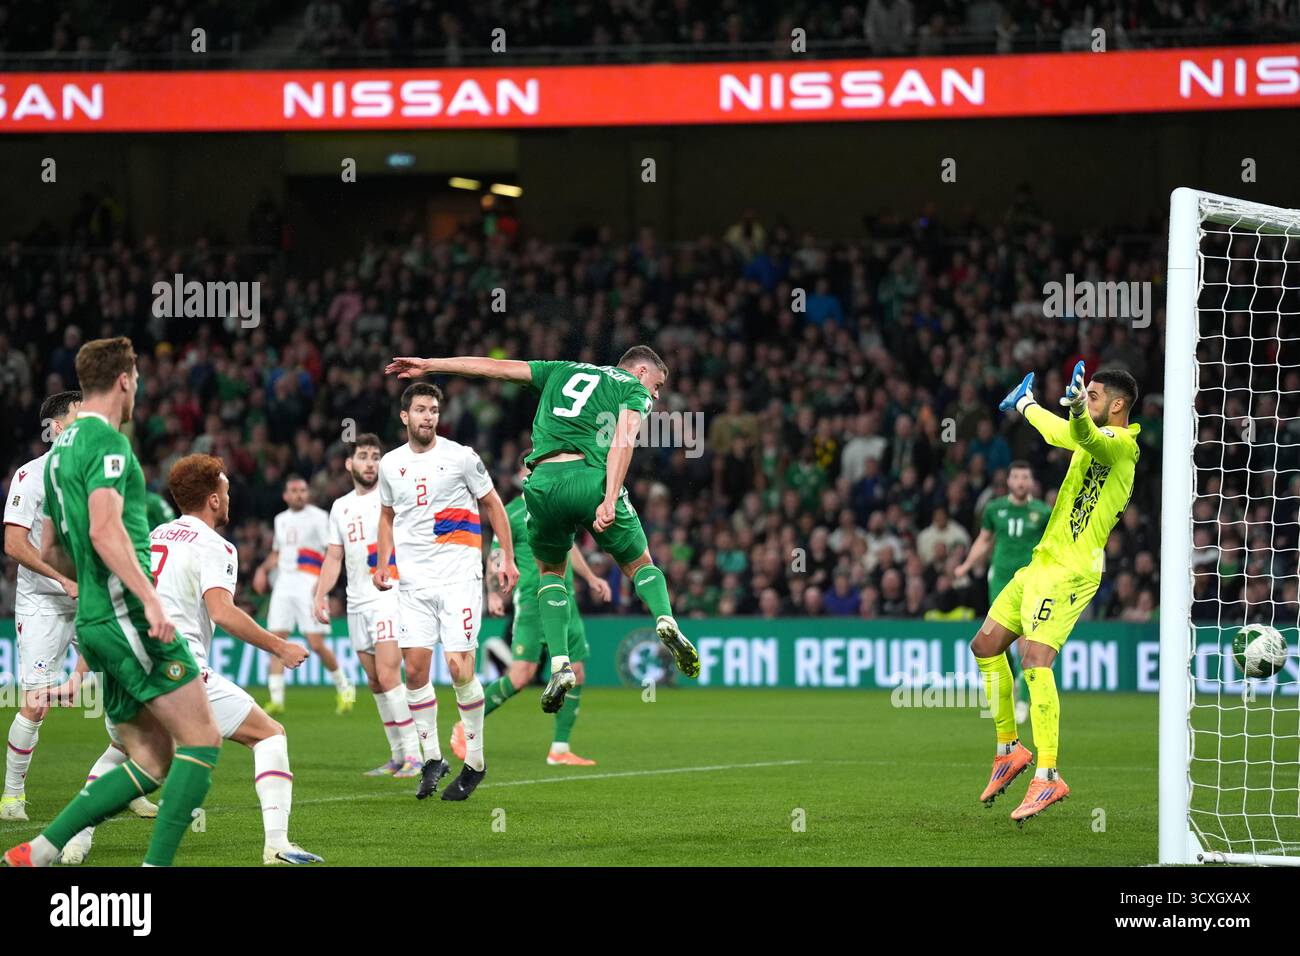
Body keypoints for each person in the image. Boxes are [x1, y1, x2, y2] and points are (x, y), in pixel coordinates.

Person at [385, 346, 700, 718]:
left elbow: (494, 368)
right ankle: (665, 619)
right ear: (641, 370)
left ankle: (559, 664)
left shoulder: (560, 370)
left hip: (542, 484)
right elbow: (623, 440)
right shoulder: (631, 389)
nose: (657, 394)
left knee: (551, 572)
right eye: (657, 384)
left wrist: (431, 364)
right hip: (589, 478)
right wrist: (610, 497)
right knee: (640, 563)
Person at [4, 337, 220, 868]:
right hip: (126, 615)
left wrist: (94, 595)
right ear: (124, 380)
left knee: (149, 756)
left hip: (96, 619)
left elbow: (53, 546)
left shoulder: (54, 465)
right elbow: (103, 530)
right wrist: (148, 599)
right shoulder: (109, 444)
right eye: (139, 377)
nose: (139, 386)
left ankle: (42, 849)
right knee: (202, 738)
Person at [64, 454, 321, 865]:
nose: (229, 499)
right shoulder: (216, 545)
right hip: (179, 670)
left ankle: (74, 839)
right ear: (214, 500)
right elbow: (222, 611)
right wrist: (280, 646)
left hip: (130, 665)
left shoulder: (153, 534)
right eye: (227, 492)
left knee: (124, 748)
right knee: (269, 734)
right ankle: (277, 844)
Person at [971, 362, 1140, 824]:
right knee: (985, 646)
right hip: (1042, 562)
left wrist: (1078, 414)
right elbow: (1059, 433)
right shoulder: (1091, 434)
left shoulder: (1122, 446)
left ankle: (1047, 775)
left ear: (1118, 405)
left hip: (1070, 571)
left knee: (1034, 661)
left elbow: (1085, 436)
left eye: (1093, 395)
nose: (1086, 399)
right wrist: (1026, 403)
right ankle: (1009, 748)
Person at [2, 390, 157, 830]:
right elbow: (14, 544)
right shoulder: (30, 476)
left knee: (128, 691)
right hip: (44, 602)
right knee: (35, 703)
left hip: (91, 599)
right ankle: (12, 794)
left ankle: (125, 788)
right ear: (55, 427)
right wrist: (63, 580)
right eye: (78, 416)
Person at [374, 383, 517, 802]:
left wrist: (505, 557)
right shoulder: (390, 465)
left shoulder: (461, 457)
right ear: (405, 416)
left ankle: (475, 762)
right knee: (415, 671)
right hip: (413, 583)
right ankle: (433, 759)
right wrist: (384, 562)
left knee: (458, 668)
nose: (428, 417)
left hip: (458, 576)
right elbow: (385, 516)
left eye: (433, 410)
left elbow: (493, 504)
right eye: (420, 410)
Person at [452, 455, 612, 767]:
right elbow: (496, 553)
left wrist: (590, 578)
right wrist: (493, 594)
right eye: (533, 467)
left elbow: (570, 548)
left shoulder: (557, 505)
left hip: (566, 600)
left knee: (576, 672)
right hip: (533, 601)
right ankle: (464, 726)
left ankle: (560, 748)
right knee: (521, 675)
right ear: (524, 474)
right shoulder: (511, 513)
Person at [314, 434, 421, 778]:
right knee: (375, 681)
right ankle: (396, 756)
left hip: (388, 594)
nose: (371, 462)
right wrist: (320, 594)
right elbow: (334, 555)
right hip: (357, 601)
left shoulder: (390, 499)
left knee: (390, 675)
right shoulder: (340, 507)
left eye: (376, 456)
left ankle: (415, 757)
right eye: (363, 456)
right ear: (349, 464)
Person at [953, 460, 1052, 725]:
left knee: (1024, 642)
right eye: (1016, 477)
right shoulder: (995, 509)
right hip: (999, 582)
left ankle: (1021, 702)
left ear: (1031, 482)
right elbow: (984, 540)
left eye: (1025, 477)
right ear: (1008, 481)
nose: (1021, 482)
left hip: (1030, 583)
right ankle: (1010, 689)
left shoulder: (1042, 512)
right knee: (996, 644)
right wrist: (966, 566)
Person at [253, 475, 354, 715]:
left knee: (316, 643)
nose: (298, 494)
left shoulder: (319, 517)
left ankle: (345, 688)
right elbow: (277, 553)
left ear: (307, 494)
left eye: (302, 490)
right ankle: (276, 700)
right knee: (277, 640)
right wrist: (262, 569)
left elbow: (330, 551)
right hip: (284, 584)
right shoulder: (280, 520)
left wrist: (321, 582)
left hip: (308, 581)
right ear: (286, 495)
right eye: (294, 491)